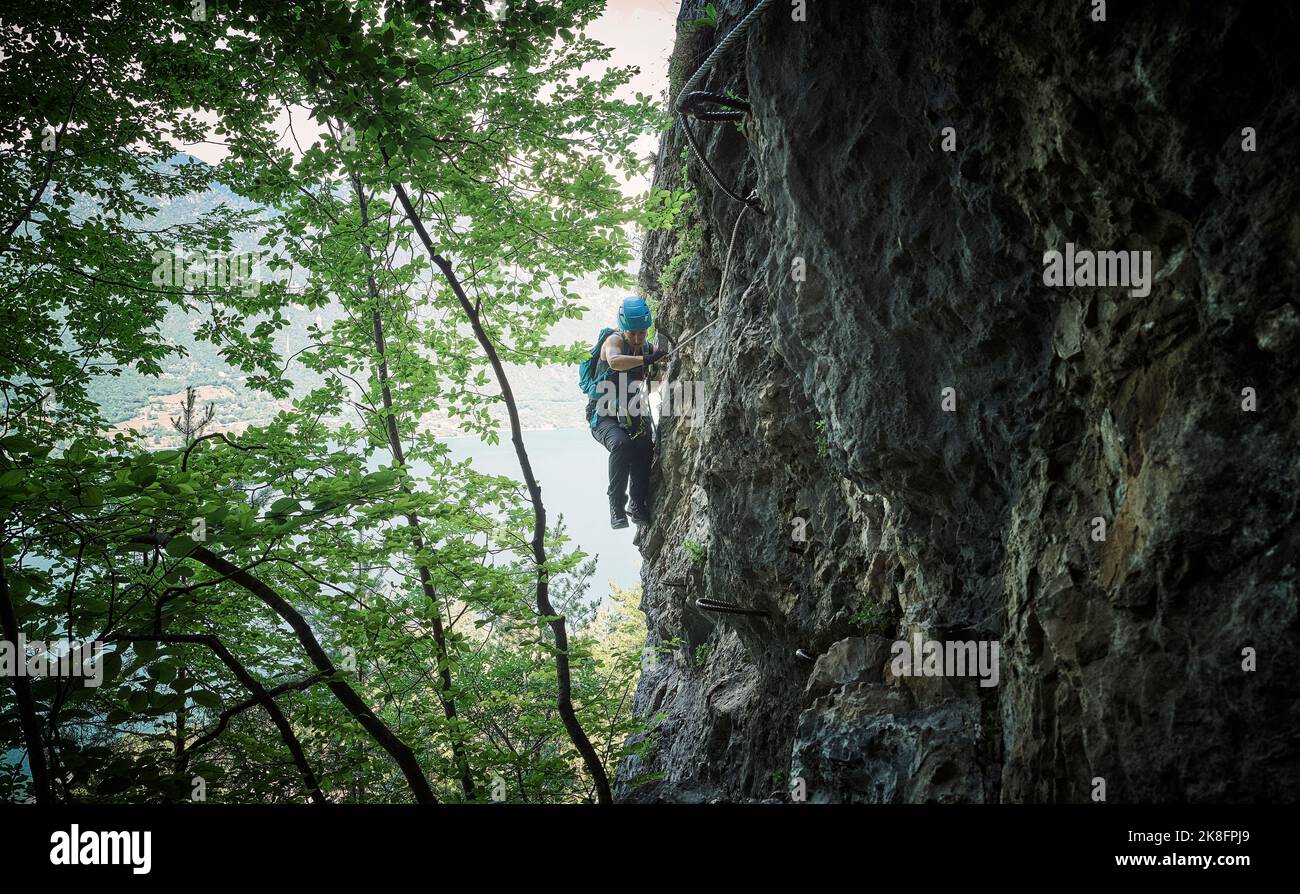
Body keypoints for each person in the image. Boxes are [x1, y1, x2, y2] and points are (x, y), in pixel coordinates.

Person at [587, 296, 668, 529]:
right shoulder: (613, 342)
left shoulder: (646, 348)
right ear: (623, 329)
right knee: (621, 445)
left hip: (632, 412)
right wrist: (646, 358)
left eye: (642, 333)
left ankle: (637, 504)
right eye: (632, 333)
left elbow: (654, 384)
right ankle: (616, 505)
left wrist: (656, 370)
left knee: (645, 447)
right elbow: (614, 362)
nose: (636, 338)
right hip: (602, 415)